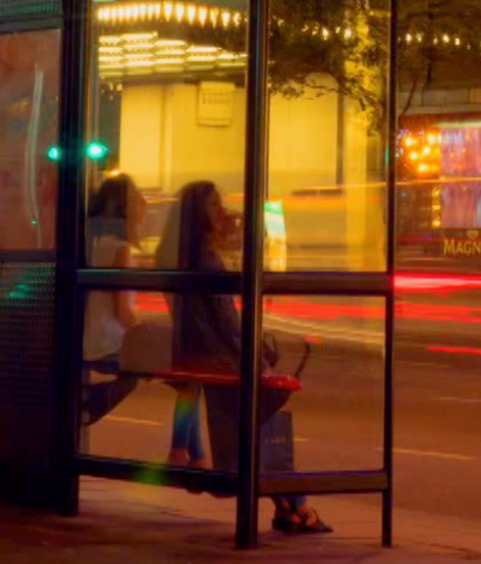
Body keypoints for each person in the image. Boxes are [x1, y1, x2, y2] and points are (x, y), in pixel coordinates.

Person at [162, 180, 330, 534]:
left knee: (257, 415)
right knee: (263, 407)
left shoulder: (180, 254)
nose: (221, 213)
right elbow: (227, 323)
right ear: (200, 217)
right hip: (220, 358)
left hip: (197, 355)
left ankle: (292, 503)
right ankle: (295, 504)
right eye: (214, 207)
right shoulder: (207, 261)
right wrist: (255, 358)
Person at [81, 174, 145, 425]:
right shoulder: (121, 249)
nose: (144, 203)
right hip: (107, 346)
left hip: (94, 340)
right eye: (137, 197)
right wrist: (144, 330)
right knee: (173, 371)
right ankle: (91, 403)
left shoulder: (101, 244)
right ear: (125, 208)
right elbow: (123, 312)